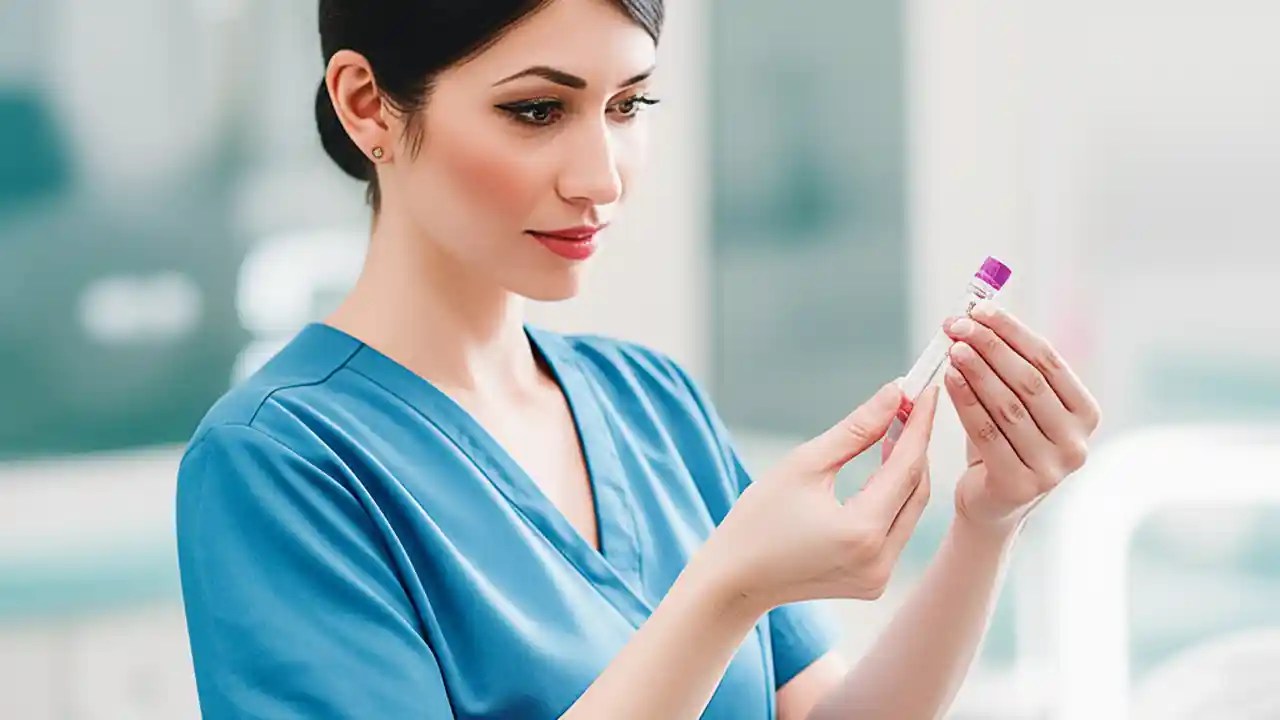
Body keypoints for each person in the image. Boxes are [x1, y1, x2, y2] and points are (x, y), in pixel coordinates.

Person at [174, 1, 1103, 718]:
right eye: (536, 110)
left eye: (627, 104)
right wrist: (725, 592)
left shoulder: (649, 399)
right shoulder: (278, 464)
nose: (602, 177)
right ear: (366, 104)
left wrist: (988, 524)